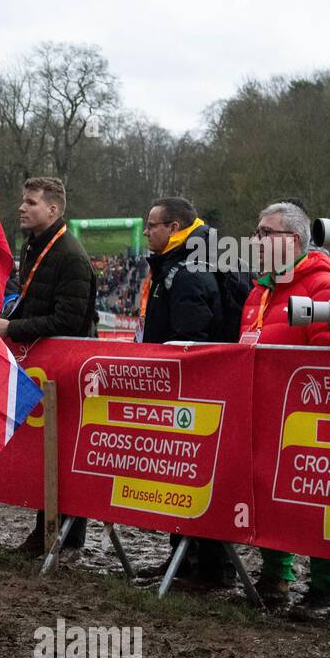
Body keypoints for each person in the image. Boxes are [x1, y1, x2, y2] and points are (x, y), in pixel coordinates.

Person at [242, 201, 330, 616]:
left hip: (308, 420)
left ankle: (326, 589)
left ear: (293, 240)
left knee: (317, 500)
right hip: (263, 413)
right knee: (268, 495)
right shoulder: (259, 289)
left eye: (265, 233)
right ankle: (275, 577)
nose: (256, 240)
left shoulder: (324, 288)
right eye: (256, 232)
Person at [134, 197, 232, 588]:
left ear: (174, 227)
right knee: (179, 475)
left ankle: (207, 568)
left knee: (196, 473)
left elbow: (193, 341)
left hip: (193, 392)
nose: (146, 232)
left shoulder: (191, 269)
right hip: (181, 391)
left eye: (152, 225)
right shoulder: (180, 261)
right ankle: (182, 556)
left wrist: (169, 378)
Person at [0, 176, 95, 558]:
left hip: (67, 369)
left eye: (31, 202)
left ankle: (67, 538)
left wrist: (13, 327)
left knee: (64, 451)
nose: (22, 207)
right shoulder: (35, 245)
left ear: (53, 210)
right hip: (41, 366)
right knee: (43, 452)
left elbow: (69, 321)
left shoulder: (70, 255)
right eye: (23, 200)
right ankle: (43, 531)